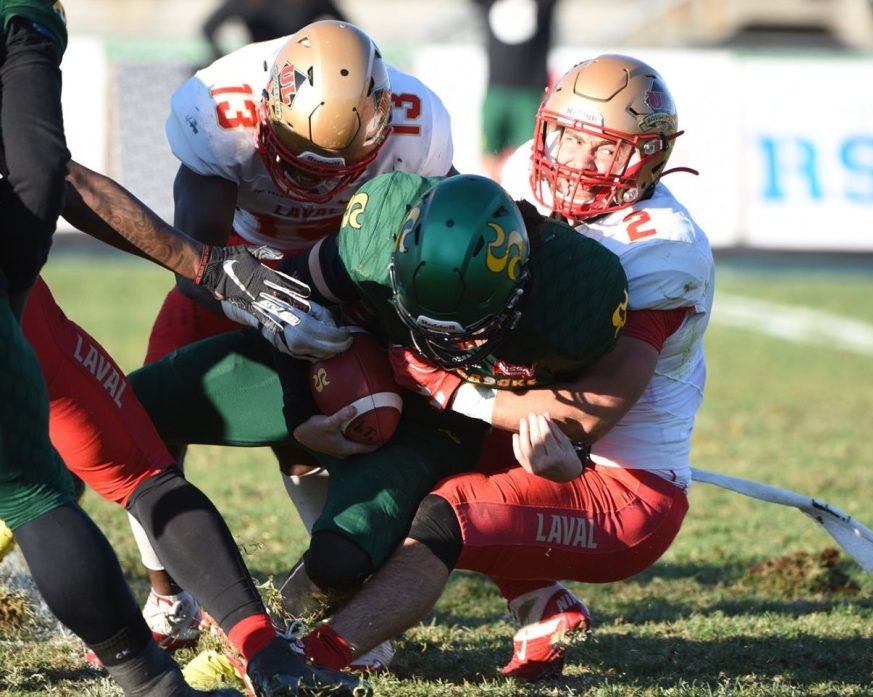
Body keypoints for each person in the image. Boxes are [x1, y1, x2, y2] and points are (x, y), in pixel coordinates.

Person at [286, 53, 714, 681]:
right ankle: (541, 606)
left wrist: (453, 389)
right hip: (520, 430)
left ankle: (317, 657)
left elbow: (581, 418)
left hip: (622, 486)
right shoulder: (524, 176)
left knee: (445, 513)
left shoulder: (661, 250)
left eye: (606, 150)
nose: (575, 162)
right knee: (406, 455)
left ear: (650, 156)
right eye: (566, 136)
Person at [0, 5, 366, 696]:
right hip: (11, 291)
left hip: (20, 298)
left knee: (136, 462)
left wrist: (207, 266)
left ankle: (260, 649)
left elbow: (60, 177)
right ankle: (156, 678)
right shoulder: (21, 24)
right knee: (39, 494)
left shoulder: (413, 122)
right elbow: (45, 168)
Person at [125, 172, 628, 671]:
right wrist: (300, 412)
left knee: (338, 563)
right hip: (341, 357)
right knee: (130, 406)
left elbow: (583, 416)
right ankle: (169, 601)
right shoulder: (379, 229)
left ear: (519, 289)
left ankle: (272, 632)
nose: (432, 341)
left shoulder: (576, 299)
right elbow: (292, 299)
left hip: (435, 426)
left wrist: (569, 458)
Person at [133, 18, 454, 640]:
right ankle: (168, 600)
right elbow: (193, 257)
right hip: (235, 265)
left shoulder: (420, 131)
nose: (309, 181)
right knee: (144, 429)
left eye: (332, 164)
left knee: (335, 428)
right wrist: (258, 303)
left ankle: (347, 595)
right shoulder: (219, 106)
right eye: (294, 157)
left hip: (346, 273)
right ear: (267, 107)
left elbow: (423, 244)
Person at [473, 0, 558, 180]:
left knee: (530, 152)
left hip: (529, 94)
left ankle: (522, 201)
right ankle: (498, 191)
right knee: (489, 149)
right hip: (496, 90)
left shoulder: (541, 5)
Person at [202, 0, 348, 61]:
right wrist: (225, 59)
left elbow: (346, 29)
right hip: (263, 71)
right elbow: (208, 28)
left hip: (300, 73)